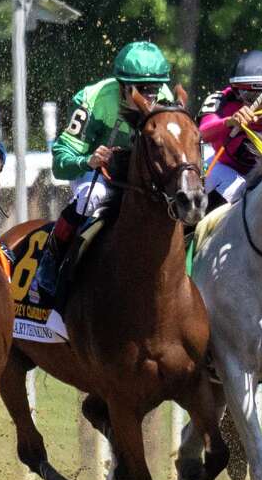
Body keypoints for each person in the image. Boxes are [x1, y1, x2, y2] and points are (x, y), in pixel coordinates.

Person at [32, 41, 176, 299]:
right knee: (93, 195)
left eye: (155, 89)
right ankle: (51, 262)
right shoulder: (93, 100)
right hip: (99, 174)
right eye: (143, 90)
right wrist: (88, 160)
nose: (151, 99)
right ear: (122, 86)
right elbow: (60, 163)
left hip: (136, 177)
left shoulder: (166, 98)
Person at [198, 50, 262, 206]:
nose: (259, 103)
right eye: (250, 97)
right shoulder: (220, 100)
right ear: (235, 91)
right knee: (238, 191)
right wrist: (229, 122)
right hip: (220, 164)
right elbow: (201, 134)